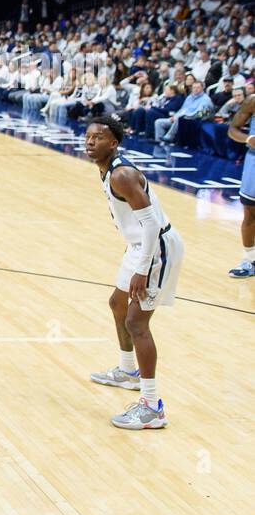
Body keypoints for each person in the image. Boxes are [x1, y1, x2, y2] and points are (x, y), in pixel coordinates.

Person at [84, 116, 185, 429]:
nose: (90, 142)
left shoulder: (123, 174)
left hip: (155, 249)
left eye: (98, 138)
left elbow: (152, 223)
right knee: (117, 304)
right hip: (140, 246)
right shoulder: (107, 168)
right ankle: (129, 371)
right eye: (88, 136)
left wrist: (142, 269)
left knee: (136, 321)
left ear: (113, 143)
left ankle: (152, 406)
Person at [226, 95, 255, 278]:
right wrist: (248, 139)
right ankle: (249, 260)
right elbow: (232, 129)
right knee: (251, 214)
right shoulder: (253, 100)